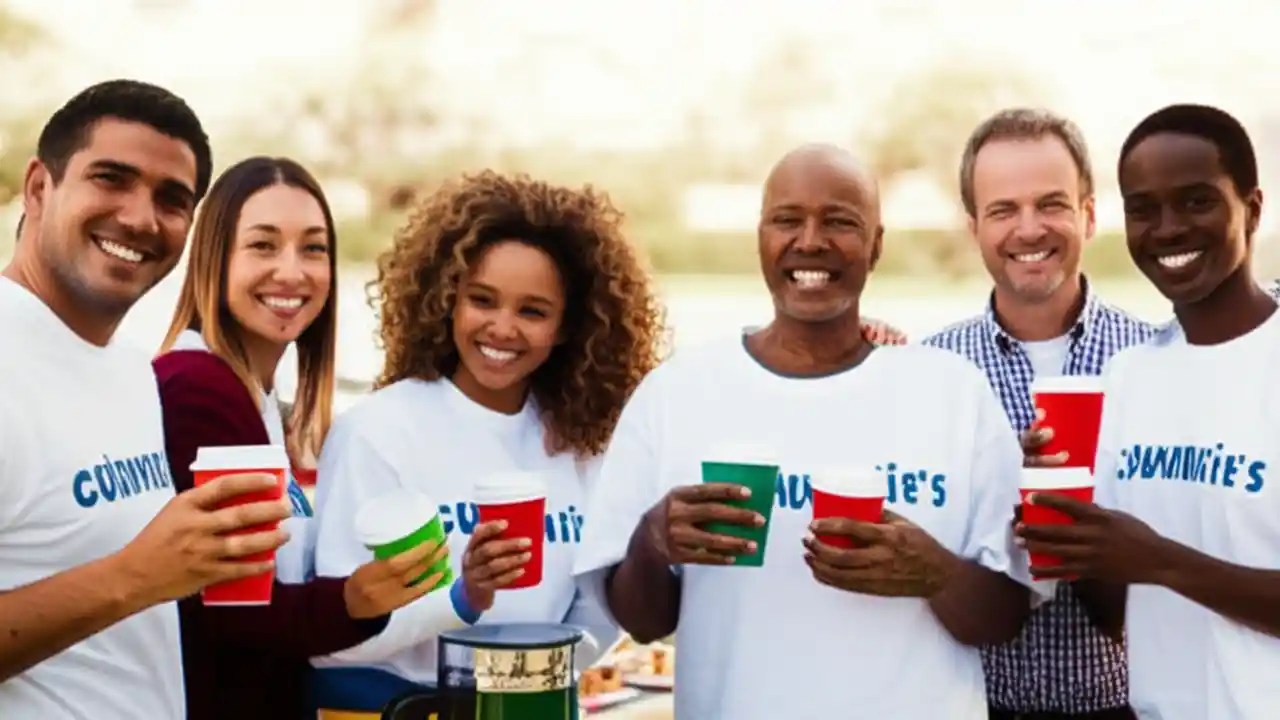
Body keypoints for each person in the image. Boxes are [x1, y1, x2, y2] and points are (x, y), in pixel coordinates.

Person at [574, 143, 1042, 720]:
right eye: (787, 220)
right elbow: (643, 622)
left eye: (839, 221)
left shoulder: (953, 394)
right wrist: (652, 542)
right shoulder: (677, 394)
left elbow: (1005, 618)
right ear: (761, 238)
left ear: (875, 245)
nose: (810, 241)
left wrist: (935, 573)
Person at [307, 170, 665, 710]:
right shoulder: (377, 433)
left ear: (567, 327)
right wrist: (463, 598)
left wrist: (532, 678)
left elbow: (595, 615)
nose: (502, 327)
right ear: (448, 300)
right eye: (482, 300)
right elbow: (331, 642)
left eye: (532, 311)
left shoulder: (584, 444)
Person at [0, 80, 290, 718]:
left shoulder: (133, 370)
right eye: (111, 179)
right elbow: (139, 577)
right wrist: (135, 576)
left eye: (171, 200)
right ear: (40, 187)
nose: (140, 219)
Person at [153, 156, 449, 720]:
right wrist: (356, 598)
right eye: (263, 246)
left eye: (313, 248)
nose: (292, 272)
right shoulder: (200, 387)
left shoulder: (255, 397)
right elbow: (236, 615)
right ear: (214, 258)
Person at [1018, 104, 1280, 720]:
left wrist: (1158, 560)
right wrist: (1063, 518)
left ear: (1252, 209)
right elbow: (1116, 611)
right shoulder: (1130, 376)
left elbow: (1151, 562)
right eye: (1143, 209)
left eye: (1197, 202)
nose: (1168, 229)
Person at [922, 108, 1153, 720]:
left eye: (1051, 204)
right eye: (1003, 210)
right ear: (974, 227)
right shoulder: (931, 370)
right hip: (974, 706)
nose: (1029, 229)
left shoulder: (1152, 362)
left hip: (1120, 706)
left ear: (1089, 214)